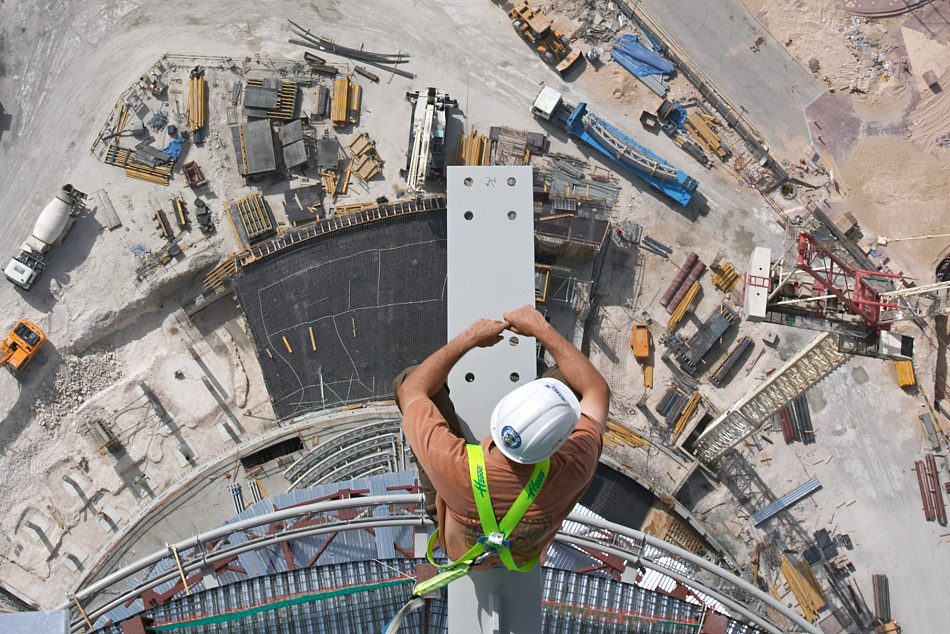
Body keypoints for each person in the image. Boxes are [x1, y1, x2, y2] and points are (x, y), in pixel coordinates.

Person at [394, 305, 609, 571]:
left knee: (411, 378)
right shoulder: (575, 468)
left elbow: (411, 389)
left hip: (464, 550)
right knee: (572, 379)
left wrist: (468, 339)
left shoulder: (450, 462)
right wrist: (542, 330)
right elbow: (596, 389)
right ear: (557, 443)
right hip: (520, 553)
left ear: (498, 421)